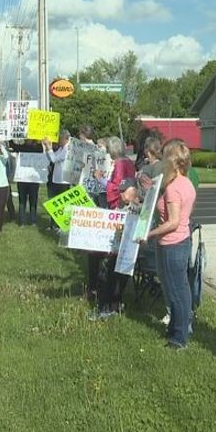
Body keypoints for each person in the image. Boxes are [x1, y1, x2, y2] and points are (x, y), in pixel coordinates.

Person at [143, 139, 197, 350]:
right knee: (179, 290)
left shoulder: (174, 188)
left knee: (175, 291)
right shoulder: (186, 182)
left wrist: (150, 233)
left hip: (171, 244)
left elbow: (173, 222)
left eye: (166, 156)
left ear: (173, 161)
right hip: (181, 240)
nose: (162, 160)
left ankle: (179, 338)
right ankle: (177, 329)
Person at [89, 136, 138, 320]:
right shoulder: (129, 163)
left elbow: (115, 188)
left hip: (118, 215)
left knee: (108, 267)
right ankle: (114, 304)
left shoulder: (119, 165)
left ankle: (105, 306)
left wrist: (101, 181)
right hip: (125, 214)